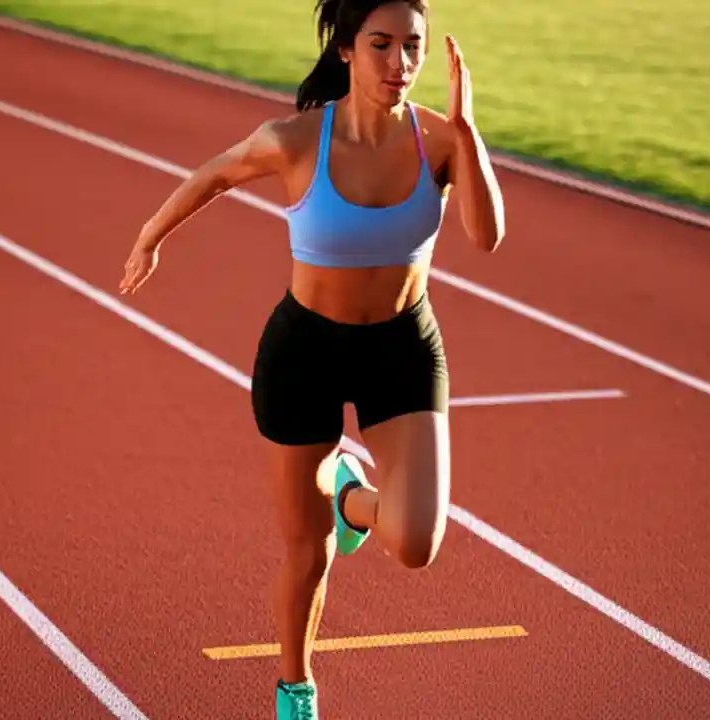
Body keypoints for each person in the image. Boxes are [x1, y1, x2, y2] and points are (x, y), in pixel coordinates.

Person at [118, 0, 504, 716]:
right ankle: (296, 689)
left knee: (417, 542)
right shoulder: (296, 140)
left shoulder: (441, 142)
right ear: (347, 52)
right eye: (382, 46)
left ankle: (351, 493)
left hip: (402, 348)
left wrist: (471, 134)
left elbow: (485, 236)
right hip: (305, 354)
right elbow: (217, 174)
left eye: (412, 47)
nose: (401, 65)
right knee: (307, 551)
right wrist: (152, 234)